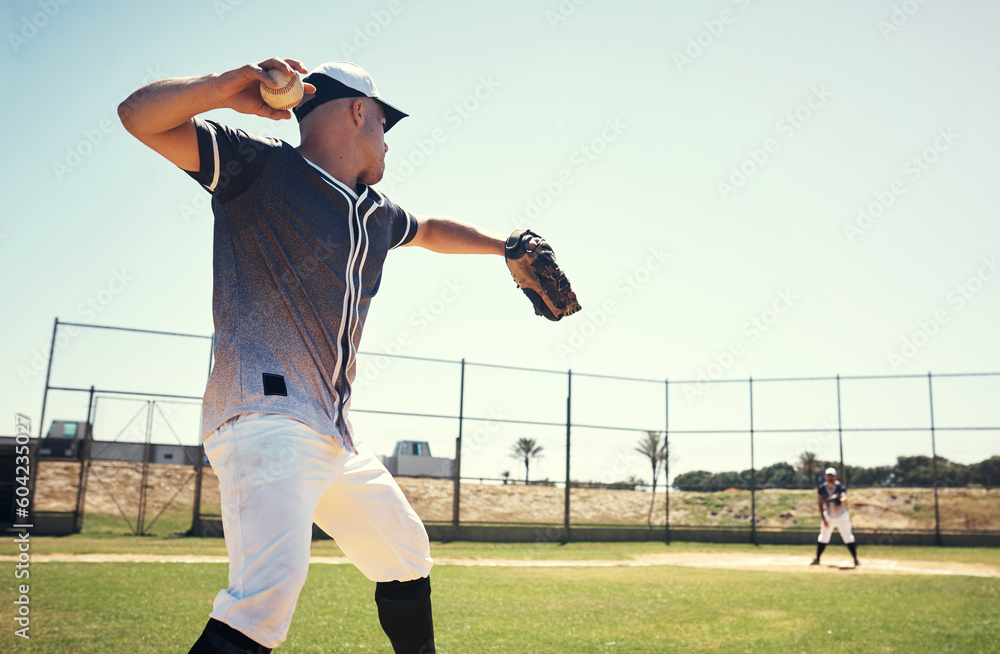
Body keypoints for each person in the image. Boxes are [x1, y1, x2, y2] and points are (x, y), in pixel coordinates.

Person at [118, 57, 515, 654]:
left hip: (332, 432)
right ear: (358, 110)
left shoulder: (375, 213)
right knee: (263, 601)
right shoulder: (259, 166)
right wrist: (222, 90)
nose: (387, 140)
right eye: (383, 122)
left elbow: (431, 229)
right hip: (266, 416)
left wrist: (507, 248)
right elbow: (138, 117)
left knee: (405, 553)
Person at [811, 467, 859, 567]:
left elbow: (844, 498)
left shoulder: (840, 487)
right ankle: (817, 558)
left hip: (841, 516)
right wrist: (824, 519)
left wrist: (840, 500)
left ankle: (855, 559)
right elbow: (820, 504)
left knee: (848, 536)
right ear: (826, 477)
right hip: (829, 516)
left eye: (832, 476)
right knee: (824, 536)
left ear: (835, 477)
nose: (830, 478)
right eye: (828, 476)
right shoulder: (822, 488)